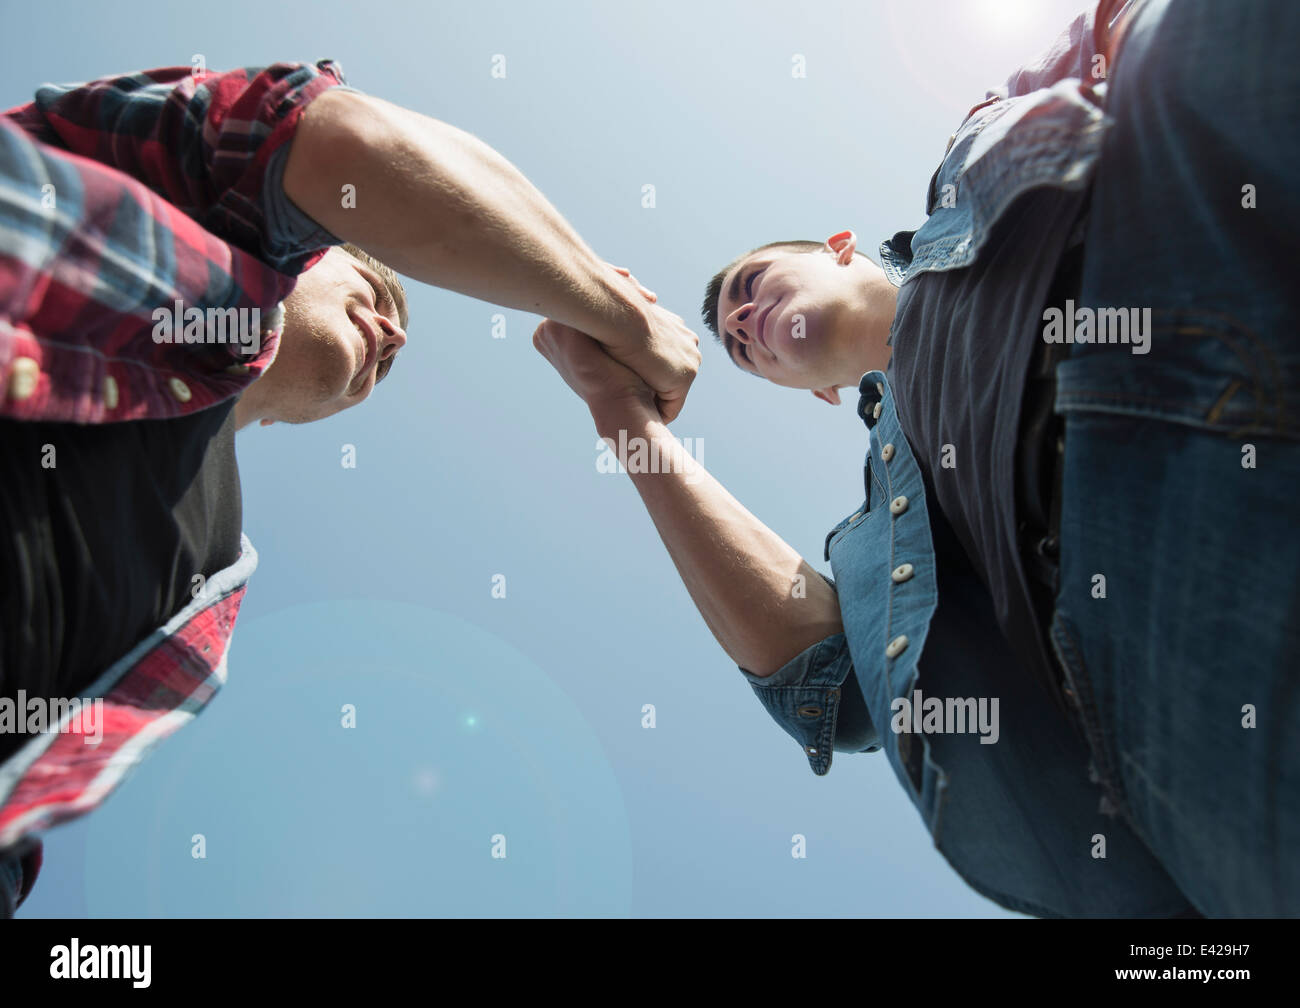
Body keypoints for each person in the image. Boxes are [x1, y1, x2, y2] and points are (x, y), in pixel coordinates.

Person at [534, 0, 1299, 917]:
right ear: (815, 396)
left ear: (841, 248)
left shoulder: (970, 168)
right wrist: (624, 415)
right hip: (1172, 633)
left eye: (749, 288)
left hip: (1204, 251)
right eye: (739, 344)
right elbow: (831, 694)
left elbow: (1115, 35)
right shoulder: (889, 534)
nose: (743, 321)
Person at [0, 58, 695, 915]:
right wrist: (625, 319)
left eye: (393, 355)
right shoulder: (180, 211)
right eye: (372, 287)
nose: (391, 331)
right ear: (311, 247)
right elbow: (343, 144)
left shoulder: (215, 578)